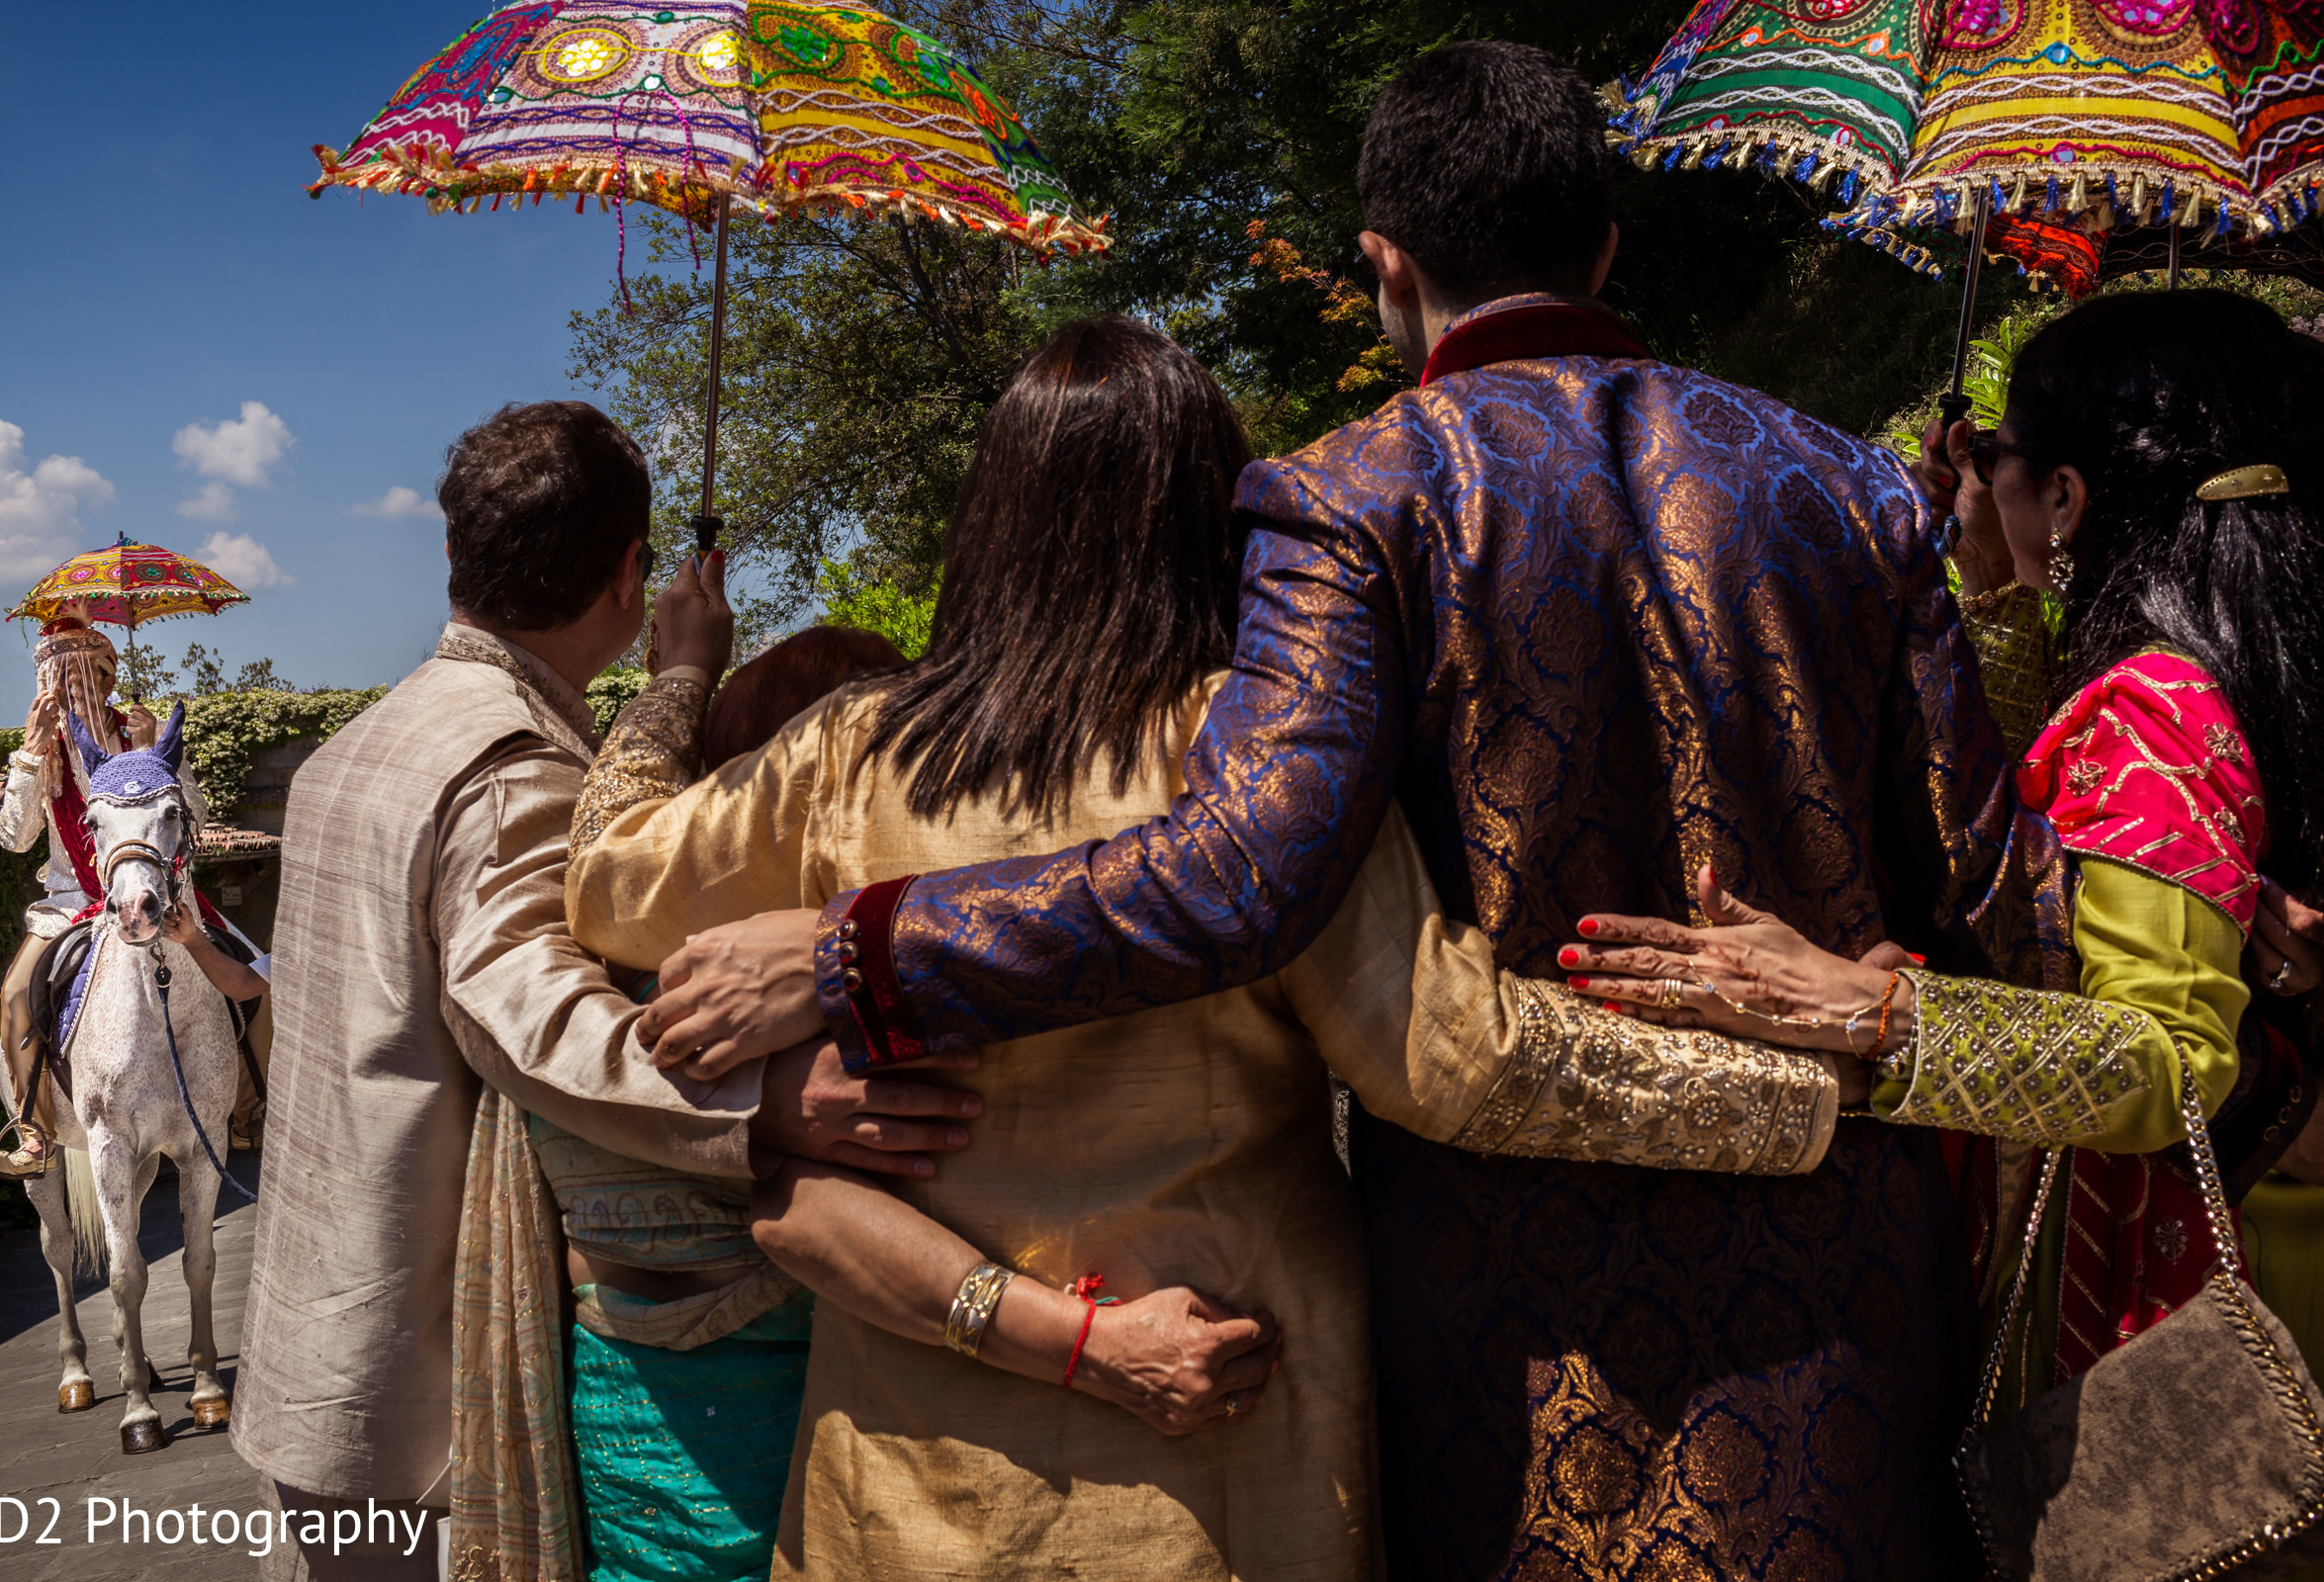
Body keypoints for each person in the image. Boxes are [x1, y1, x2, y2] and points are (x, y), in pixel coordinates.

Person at [564, 315, 1861, 1580]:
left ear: (990, 519)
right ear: (1208, 525)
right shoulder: (1251, 770)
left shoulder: (843, 756)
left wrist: (677, 683)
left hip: (908, 1483)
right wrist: (1806, 1092)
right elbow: (1457, 1059)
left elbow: (607, 879)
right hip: (1230, 1459)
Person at [228, 401, 961, 1582]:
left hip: (314, 1345)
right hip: (423, 1398)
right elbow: (536, 1020)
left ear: (458, 553)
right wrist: (762, 1102)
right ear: (632, 572)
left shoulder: (351, 748)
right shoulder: (511, 765)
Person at [1565, 288, 2324, 1398]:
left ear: (2066, 494)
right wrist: (1992, 574)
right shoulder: (2252, 652)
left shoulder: (2153, 705)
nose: (1977, 476)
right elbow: (2052, 801)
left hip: (2180, 1317)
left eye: (1997, 454)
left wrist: (1869, 1015)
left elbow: (2172, 1061)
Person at [0, 614, 207, 1178]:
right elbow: (14, 840)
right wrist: (32, 757)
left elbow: (197, 819)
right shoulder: (44, 749)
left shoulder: (140, 736)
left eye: (82, 673)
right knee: (16, 993)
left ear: (108, 678)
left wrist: (161, 751)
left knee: (243, 963)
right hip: (68, 905)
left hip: (153, 891)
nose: (70, 687)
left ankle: (253, 1103)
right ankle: (34, 1129)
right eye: (58, 677)